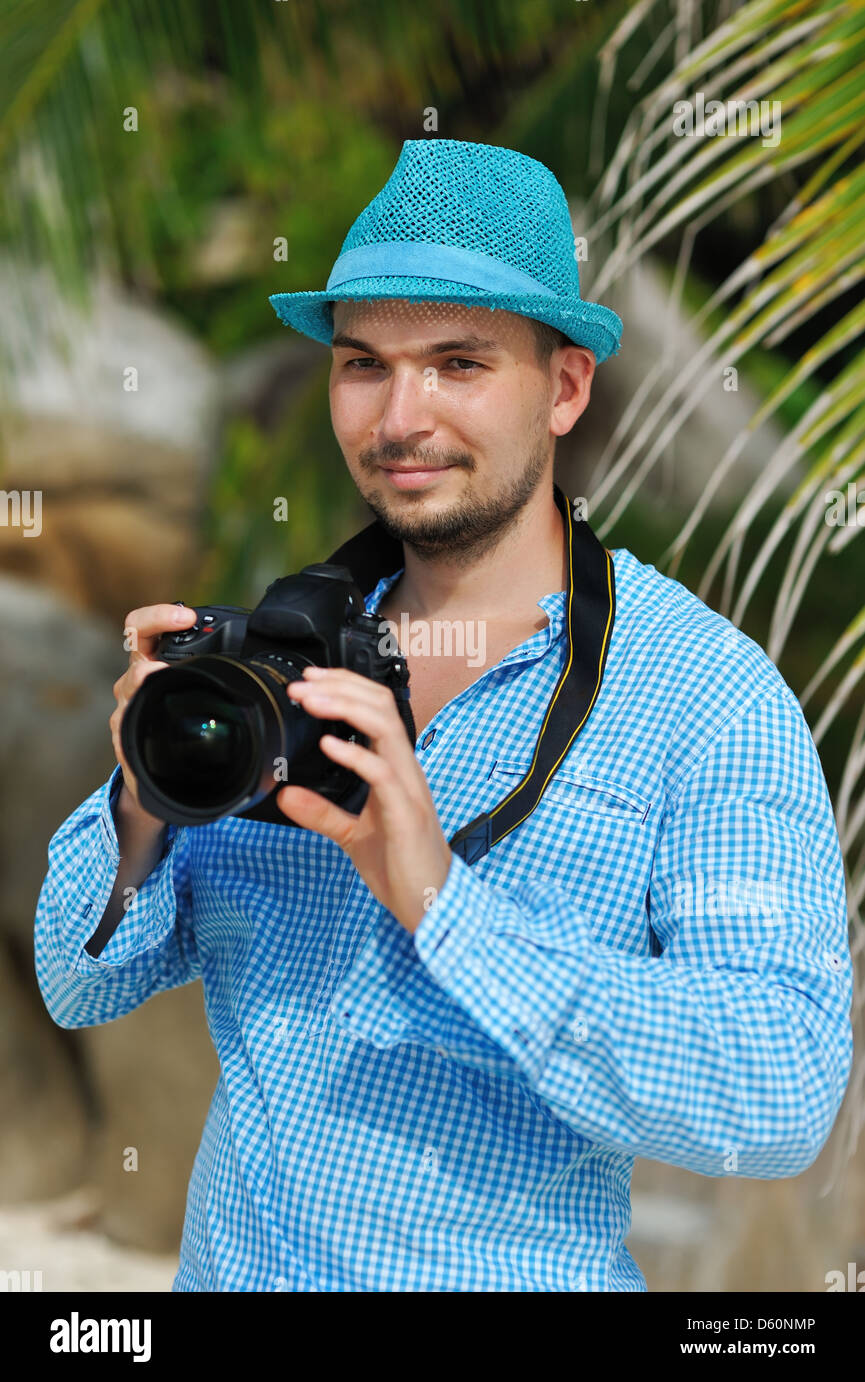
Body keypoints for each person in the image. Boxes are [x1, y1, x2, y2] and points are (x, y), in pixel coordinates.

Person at [34, 138, 853, 1292]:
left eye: (458, 363)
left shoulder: (704, 701)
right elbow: (81, 980)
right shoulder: (274, 656)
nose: (400, 415)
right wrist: (142, 789)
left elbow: (778, 1094)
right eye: (362, 361)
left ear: (564, 387)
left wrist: (443, 907)